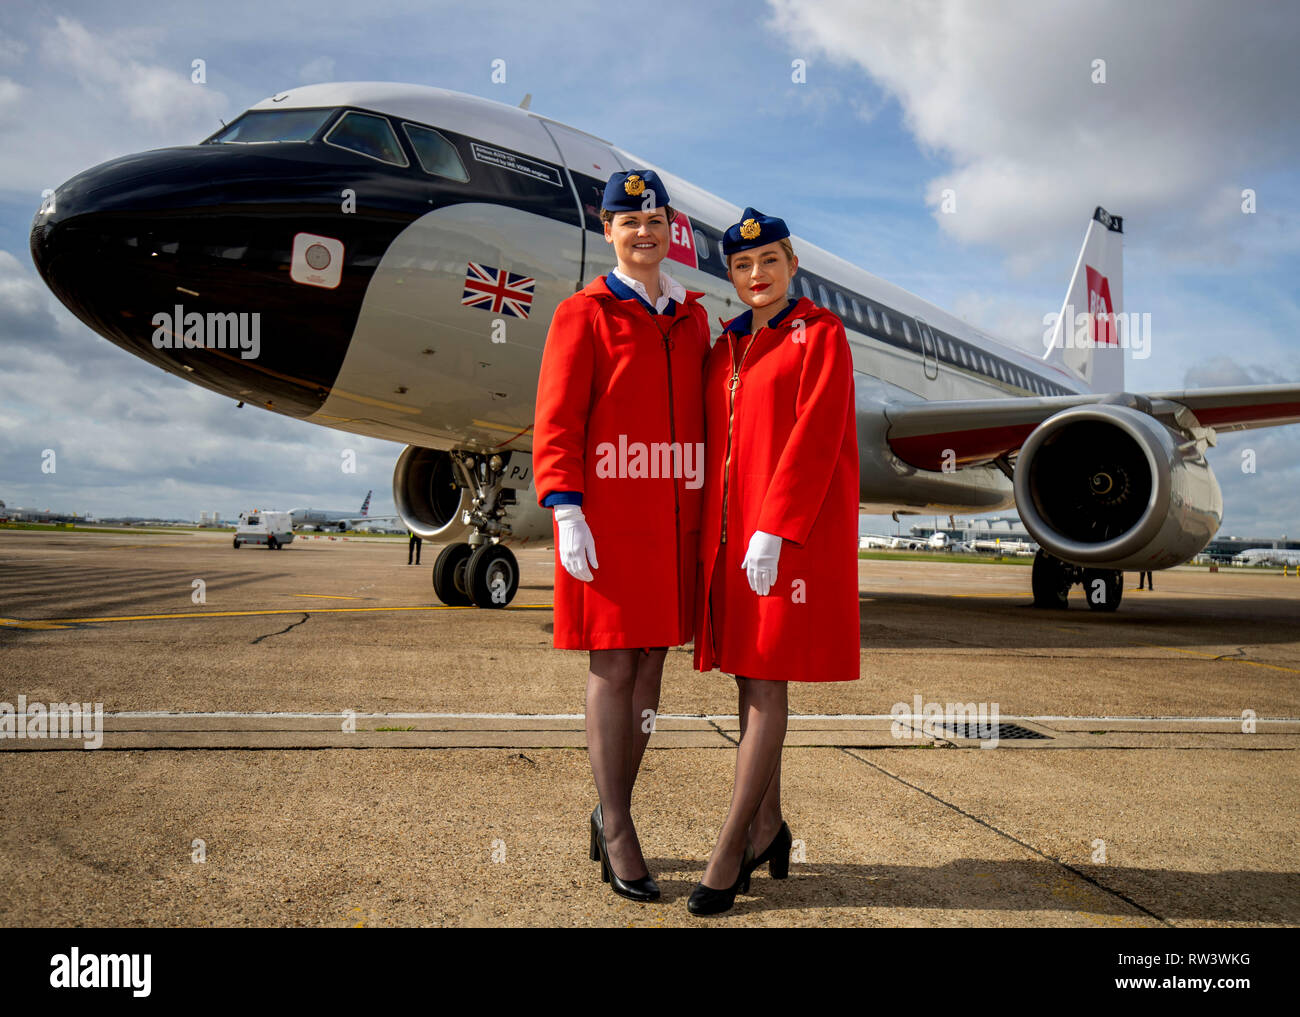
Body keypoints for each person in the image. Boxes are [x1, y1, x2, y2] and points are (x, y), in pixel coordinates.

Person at [533, 169, 710, 903]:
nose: (642, 232)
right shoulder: (584, 313)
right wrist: (565, 508)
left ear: (670, 229)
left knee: (651, 667)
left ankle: (613, 808)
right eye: (627, 221)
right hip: (606, 521)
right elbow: (557, 418)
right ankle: (622, 831)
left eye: (653, 220)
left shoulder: (691, 318)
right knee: (613, 666)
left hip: (671, 523)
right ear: (607, 231)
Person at [689, 208, 860, 916]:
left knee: (765, 682)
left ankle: (730, 849)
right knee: (747, 675)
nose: (756, 276)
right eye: (741, 266)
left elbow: (818, 435)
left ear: (792, 265)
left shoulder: (819, 335)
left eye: (769, 263)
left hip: (784, 539)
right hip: (729, 540)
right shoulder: (725, 346)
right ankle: (770, 825)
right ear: (730, 276)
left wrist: (776, 527)